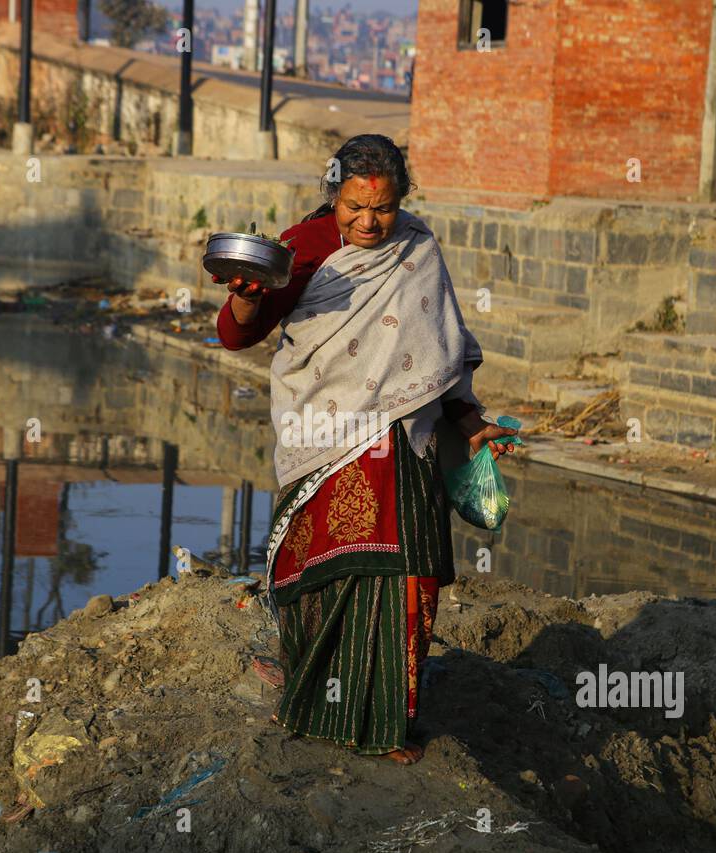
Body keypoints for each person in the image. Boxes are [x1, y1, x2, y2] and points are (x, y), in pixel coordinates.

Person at [211, 134, 517, 765]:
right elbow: (239, 334)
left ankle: (384, 723)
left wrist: (471, 420)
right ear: (334, 195)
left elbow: (441, 347)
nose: (368, 222)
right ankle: (317, 702)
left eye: (381, 208)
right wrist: (246, 292)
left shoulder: (417, 246)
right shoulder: (305, 247)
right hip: (326, 440)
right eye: (354, 206)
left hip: (405, 443)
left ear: (400, 199)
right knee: (329, 575)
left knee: (411, 578)